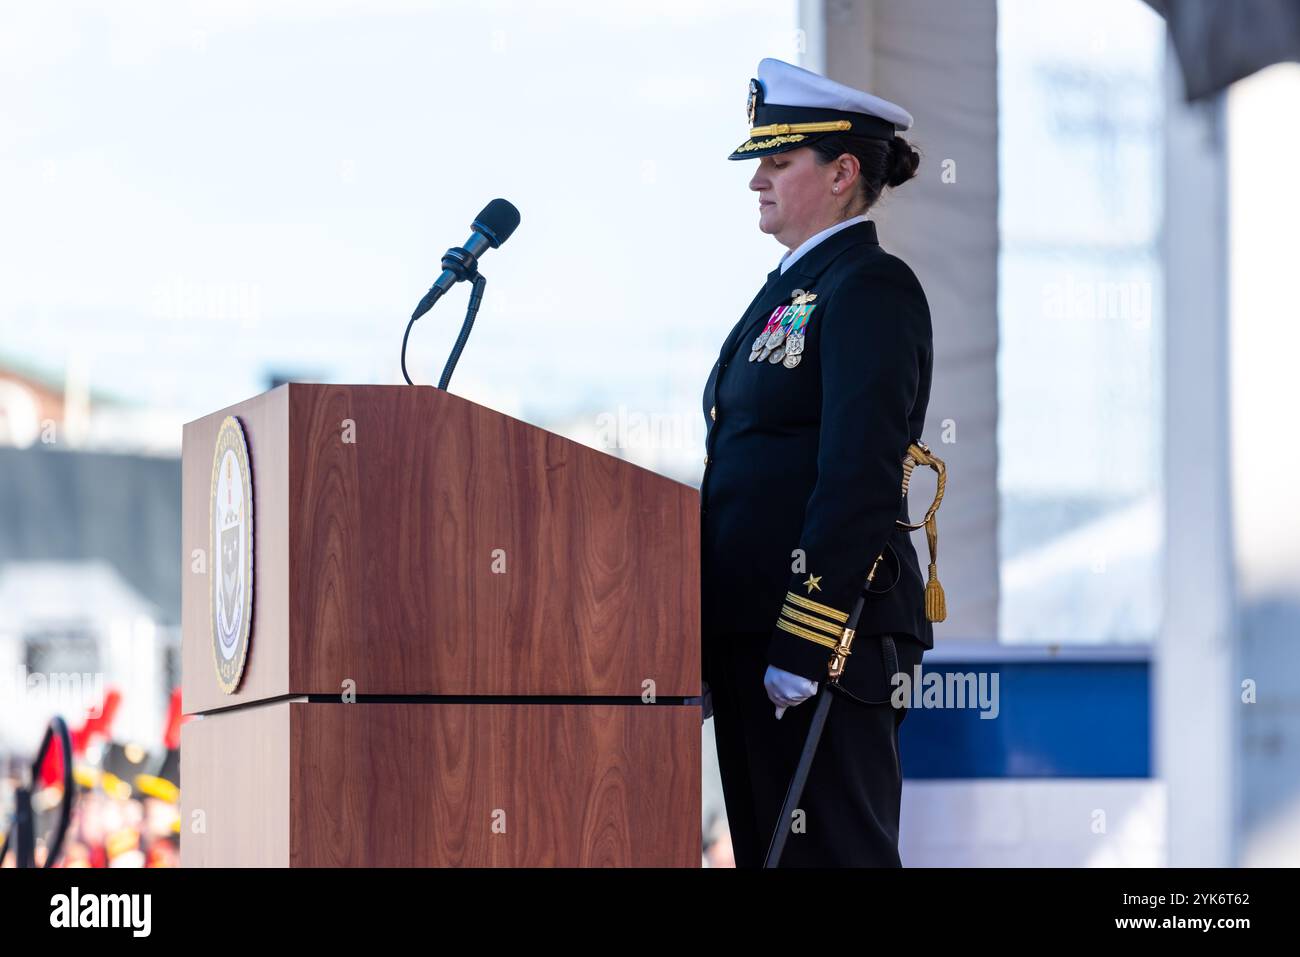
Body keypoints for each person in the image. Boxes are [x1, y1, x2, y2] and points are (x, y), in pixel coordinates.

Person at [701, 57, 936, 867]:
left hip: (829, 640)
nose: (757, 181)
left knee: (836, 856)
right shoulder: (790, 289)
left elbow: (857, 474)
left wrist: (805, 639)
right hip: (753, 635)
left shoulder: (871, 286)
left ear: (841, 172)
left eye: (778, 161)